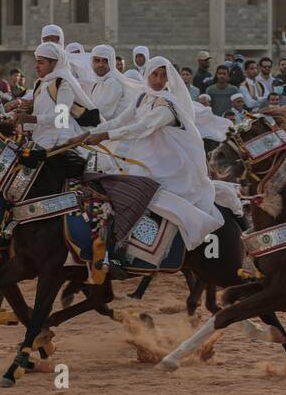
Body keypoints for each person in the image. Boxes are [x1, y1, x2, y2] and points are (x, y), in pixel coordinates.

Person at [82, 56, 224, 255]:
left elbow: (140, 128)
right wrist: (89, 133)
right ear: (147, 74)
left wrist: (104, 136)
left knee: (133, 190)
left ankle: (130, 243)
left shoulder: (167, 105)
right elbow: (120, 121)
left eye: (163, 76)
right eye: (154, 75)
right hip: (143, 156)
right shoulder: (143, 96)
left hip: (168, 164)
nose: (158, 80)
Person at [17, 42, 98, 149]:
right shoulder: (40, 83)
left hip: (59, 143)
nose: (36, 67)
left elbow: (61, 119)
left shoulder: (63, 84)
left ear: (54, 63)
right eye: (37, 62)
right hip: (39, 140)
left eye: (41, 63)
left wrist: (31, 119)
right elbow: (41, 116)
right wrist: (19, 120)